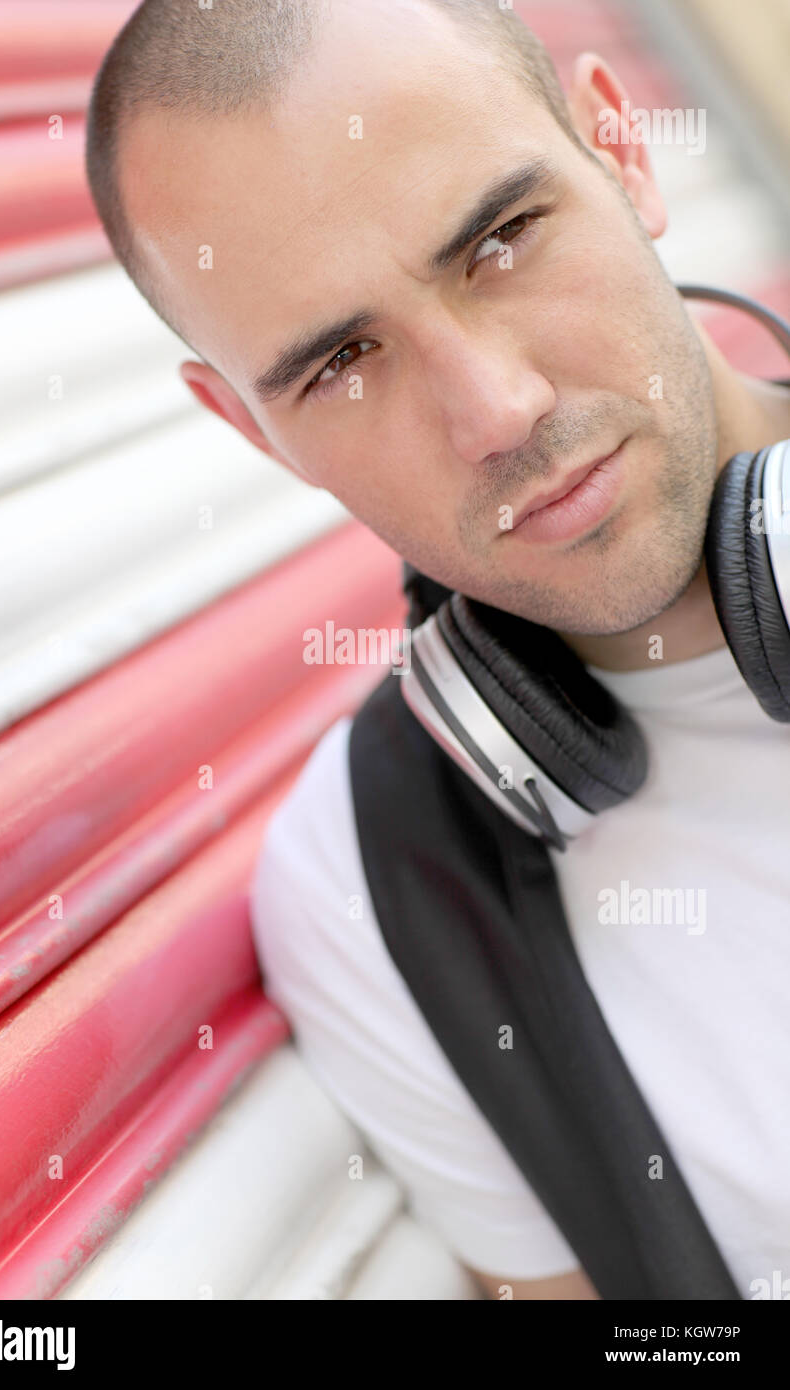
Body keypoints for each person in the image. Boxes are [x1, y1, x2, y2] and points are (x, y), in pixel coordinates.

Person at [86, 0, 790, 1299]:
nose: (497, 409)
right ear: (252, 432)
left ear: (622, 150)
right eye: (340, 360)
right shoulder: (379, 890)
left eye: (500, 239)